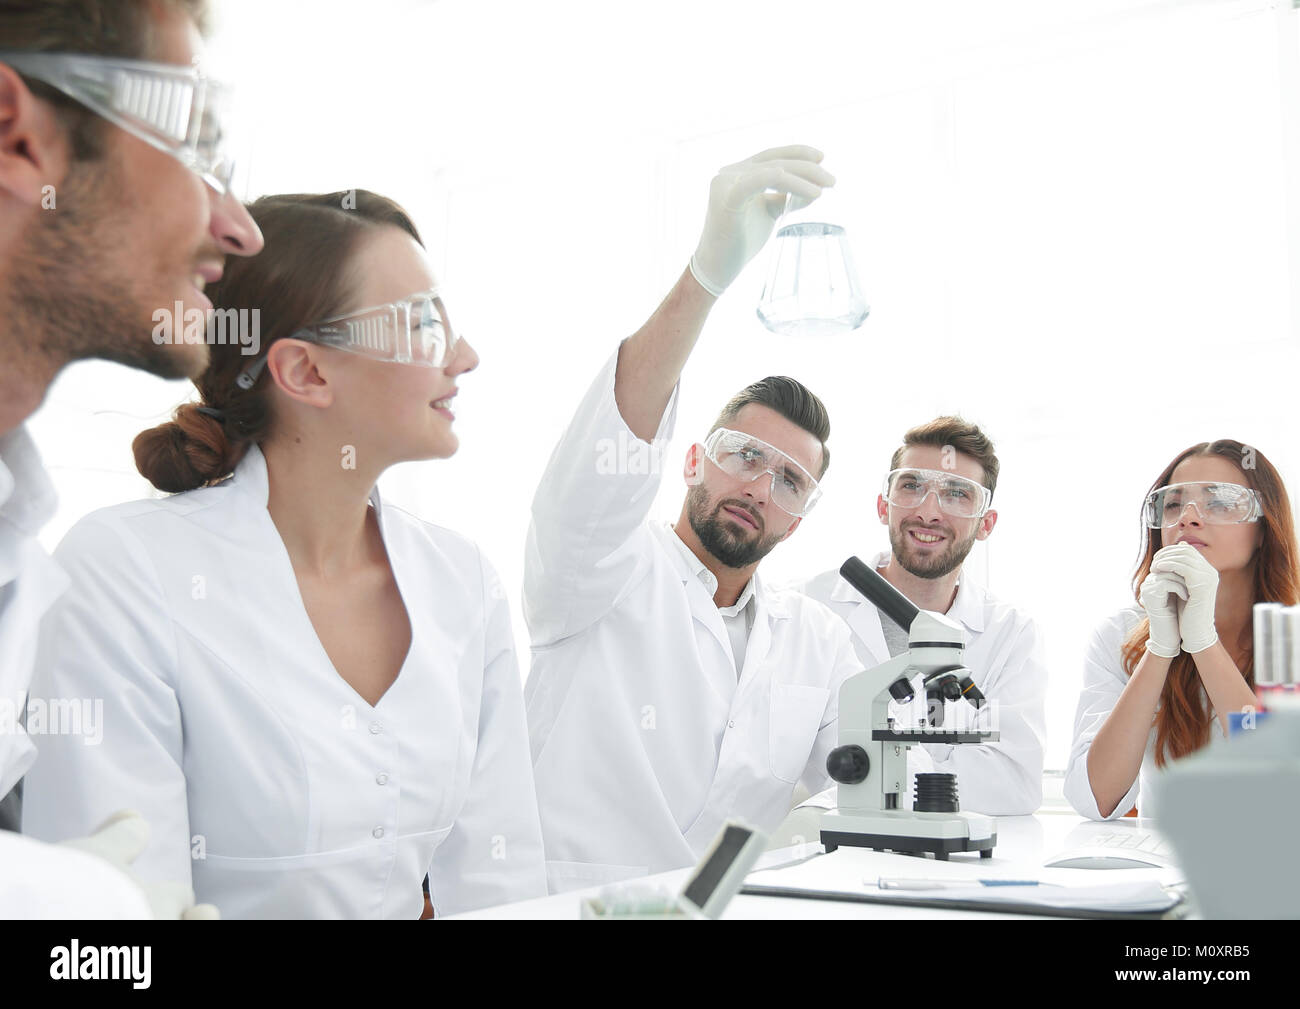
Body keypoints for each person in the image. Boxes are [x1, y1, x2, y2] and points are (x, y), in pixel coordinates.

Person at [22, 190, 548, 918]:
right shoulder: (124, 570)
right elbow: (116, 920)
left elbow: (502, 880)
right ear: (305, 372)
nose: (464, 356)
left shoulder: (464, 582)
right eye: (424, 323)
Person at [523, 145, 865, 892]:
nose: (759, 483)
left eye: (789, 479)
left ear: (800, 517)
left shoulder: (819, 637)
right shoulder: (600, 569)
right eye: (741, 454)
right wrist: (706, 278)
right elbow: (607, 453)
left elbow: (872, 773)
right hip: (560, 906)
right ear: (690, 461)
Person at [0, 0, 263, 916]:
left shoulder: (14, 522)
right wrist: (78, 913)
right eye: (198, 146)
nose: (239, 228)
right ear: (17, 138)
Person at [793, 417, 1046, 816]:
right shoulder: (808, 607)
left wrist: (886, 764)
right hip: (828, 850)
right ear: (883, 505)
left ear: (986, 524)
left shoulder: (1010, 635)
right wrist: (942, 770)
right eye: (911, 486)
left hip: (944, 866)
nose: (929, 512)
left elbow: (1015, 785)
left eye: (957, 494)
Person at [1064, 440, 1300, 820]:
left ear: (1262, 529)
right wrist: (1160, 647)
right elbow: (1097, 798)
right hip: (1164, 870)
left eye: (1219, 501)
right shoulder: (1121, 634)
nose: (1187, 518)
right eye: (1173, 504)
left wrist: (1203, 641)